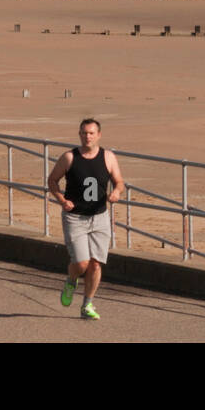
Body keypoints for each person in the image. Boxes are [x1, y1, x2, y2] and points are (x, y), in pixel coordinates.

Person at [48, 118, 126, 320]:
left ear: (99, 135)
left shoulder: (108, 157)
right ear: (79, 134)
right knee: (82, 264)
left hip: (100, 217)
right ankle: (71, 279)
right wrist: (61, 199)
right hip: (75, 218)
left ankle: (87, 304)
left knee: (96, 264)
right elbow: (52, 180)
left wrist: (116, 192)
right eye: (84, 133)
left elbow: (119, 182)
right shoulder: (69, 157)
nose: (87, 136)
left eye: (91, 133)